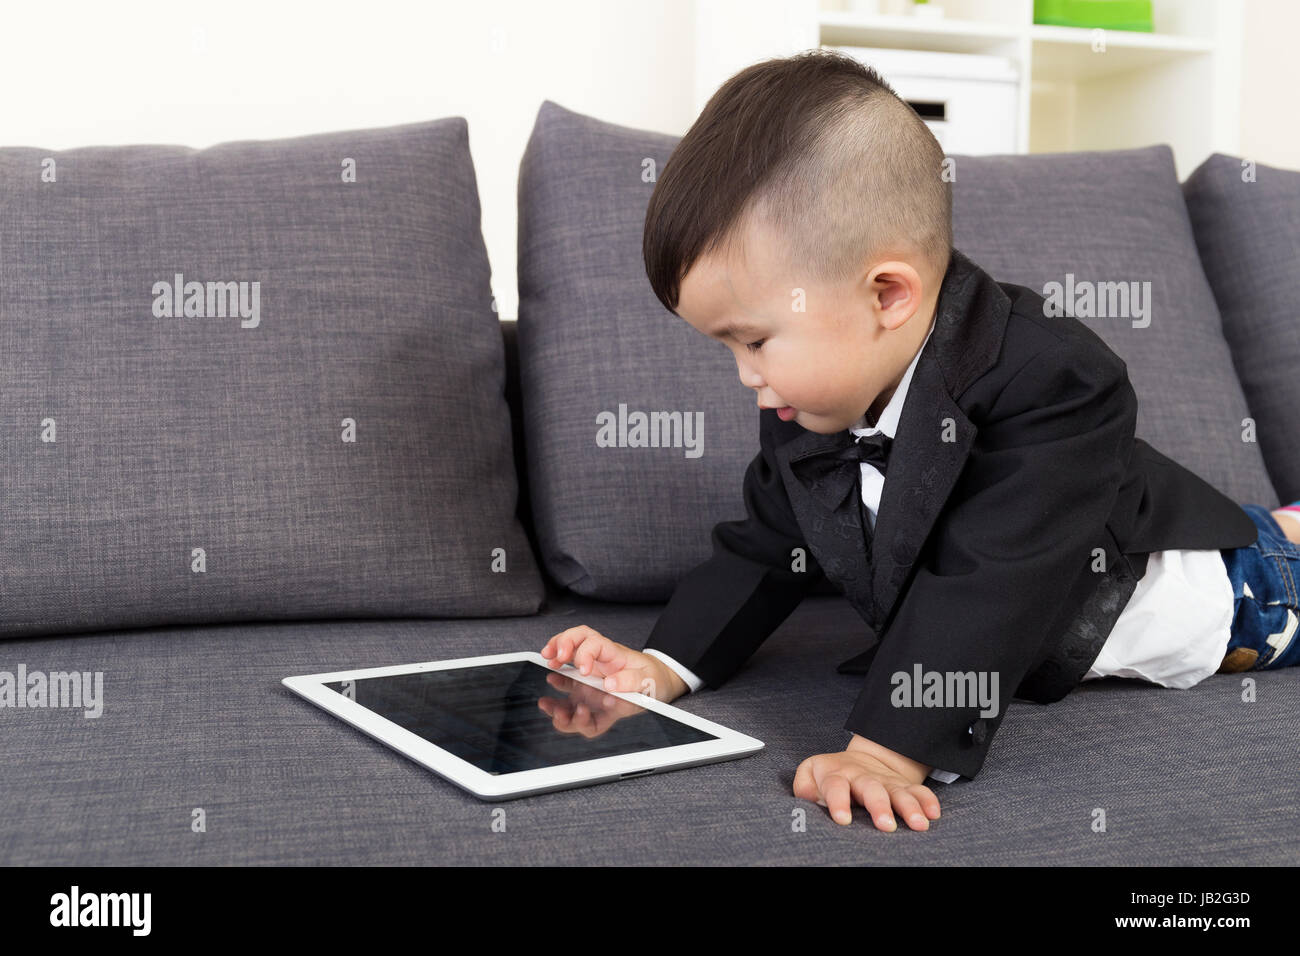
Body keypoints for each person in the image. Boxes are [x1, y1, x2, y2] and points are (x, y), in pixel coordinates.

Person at [539, 49, 1300, 832]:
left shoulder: (1057, 378)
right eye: (726, 349)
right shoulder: (813, 405)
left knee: (1282, 559)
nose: (744, 377)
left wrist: (885, 751)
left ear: (888, 295)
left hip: (1228, 590)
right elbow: (766, 546)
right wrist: (664, 665)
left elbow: (990, 578)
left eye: (756, 342)